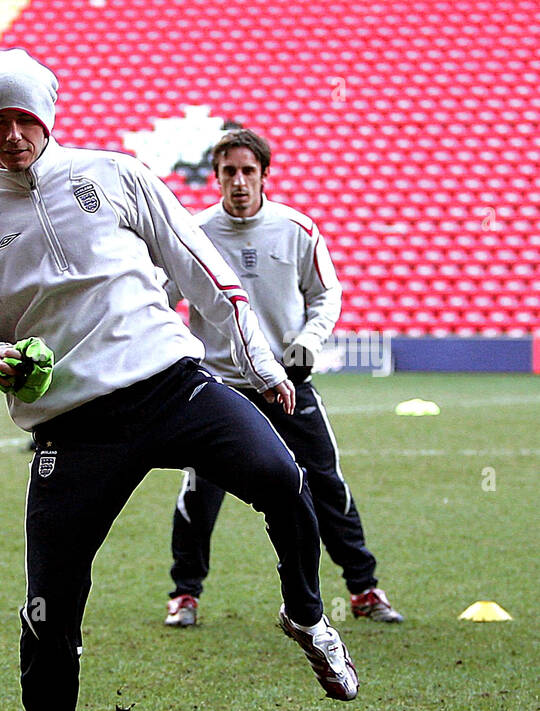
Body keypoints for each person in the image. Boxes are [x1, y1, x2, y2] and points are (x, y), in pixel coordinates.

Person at [0, 50, 359, 711]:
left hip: (172, 384)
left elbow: (204, 269)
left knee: (286, 481)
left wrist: (262, 366)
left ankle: (307, 618)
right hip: (74, 426)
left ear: (47, 115)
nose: (14, 135)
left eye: (25, 117)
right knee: (48, 599)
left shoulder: (115, 175)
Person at [162, 129, 401, 629]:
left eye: (249, 171)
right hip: (219, 386)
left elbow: (326, 294)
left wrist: (310, 340)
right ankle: (185, 594)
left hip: (287, 381)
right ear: (218, 177)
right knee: (201, 492)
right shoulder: (193, 233)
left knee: (324, 482)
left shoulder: (297, 229)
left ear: (265, 175)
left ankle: (363, 588)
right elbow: (160, 299)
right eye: (230, 171)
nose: (240, 181)